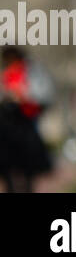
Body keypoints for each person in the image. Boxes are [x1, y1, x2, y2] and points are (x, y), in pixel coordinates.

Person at [0, 47, 53, 193]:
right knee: (7, 165)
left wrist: (23, 95)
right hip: (6, 124)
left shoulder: (32, 72)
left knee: (28, 166)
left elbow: (43, 95)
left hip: (25, 122)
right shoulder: (5, 74)